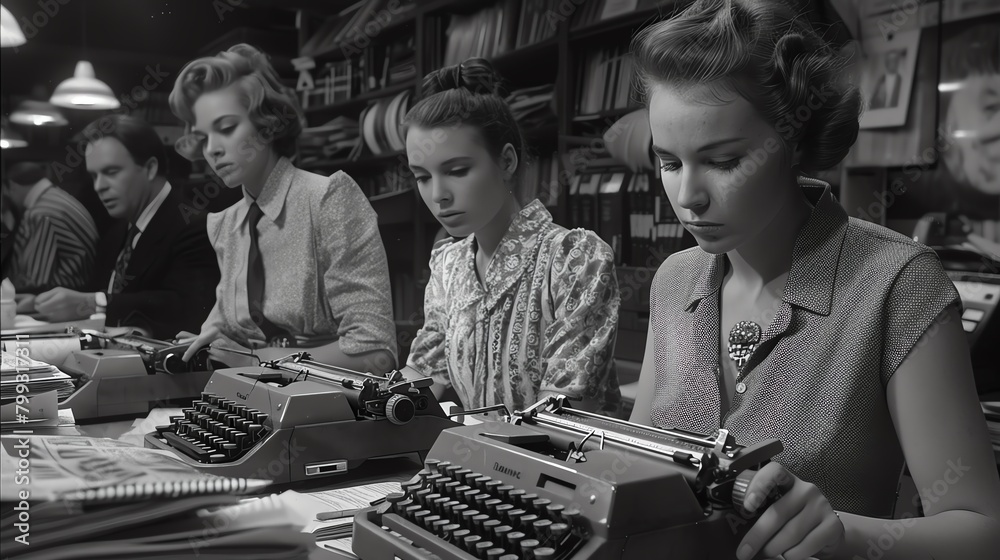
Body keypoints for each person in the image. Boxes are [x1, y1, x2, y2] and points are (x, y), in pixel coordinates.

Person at [627, 1, 1000, 559]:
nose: (687, 198)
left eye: (725, 162)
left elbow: (983, 530)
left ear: (795, 143)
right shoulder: (675, 279)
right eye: (670, 162)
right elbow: (638, 460)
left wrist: (848, 534)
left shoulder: (894, 283)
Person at [398, 58, 622, 416]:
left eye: (457, 171)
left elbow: (565, 411)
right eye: (422, 177)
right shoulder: (448, 265)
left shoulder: (575, 258)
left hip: (565, 465)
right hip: (478, 461)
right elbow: (423, 376)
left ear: (506, 162)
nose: (438, 194)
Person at [171, 44, 396, 372]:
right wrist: (210, 341)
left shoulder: (328, 198)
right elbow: (230, 335)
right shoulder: (227, 224)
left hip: (331, 407)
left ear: (267, 123)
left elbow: (376, 353)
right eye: (204, 138)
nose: (213, 150)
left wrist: (256, 359)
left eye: (227, 128)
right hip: (252, 401)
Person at [32, 115, 219, 340]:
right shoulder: (117, 231)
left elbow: (184, 307)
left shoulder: (196, 225)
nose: (99, 186)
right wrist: (40, 302)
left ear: (150, 168)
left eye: (111, 172)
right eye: (94, 175)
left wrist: (93, 303)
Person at [2, 162, 98, 295]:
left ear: (12, 186)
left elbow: (34, 281)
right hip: (78, 288)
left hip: (65, 295)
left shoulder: (41, 212)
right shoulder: (55, 197)